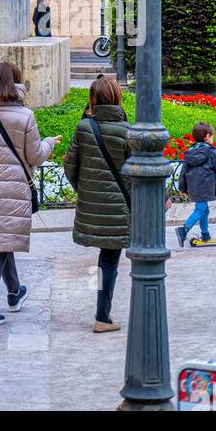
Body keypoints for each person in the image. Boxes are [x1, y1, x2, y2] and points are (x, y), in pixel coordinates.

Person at [0, 60, 59, 326]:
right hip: (15, 190)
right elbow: (35, 155)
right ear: (17, 85)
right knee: (1, 243)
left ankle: (15, 292)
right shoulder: (25, 116)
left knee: (1, 238)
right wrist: (50, 143)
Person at [63, 75, 131, 333]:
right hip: (120, 209)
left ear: (93, 99)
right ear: (117, 98)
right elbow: (135, 173)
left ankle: (103, 314)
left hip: (94, 207)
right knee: (113, 259)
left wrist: (85, 190)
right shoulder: (127, 131)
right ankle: (103, 317)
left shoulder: (84, 128)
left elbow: (70, 166)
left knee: (107, 261)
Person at [175, 122, 216, 247]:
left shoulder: (190, 151)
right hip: (205, 185)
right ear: (207, 136)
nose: (212, 139)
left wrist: (182, 188)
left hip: (193, 186)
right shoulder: (211, 151)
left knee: (204, 210)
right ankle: (183, 230)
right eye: (212, 137)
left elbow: (184, 170)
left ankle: (205, 234)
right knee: (200, 209)